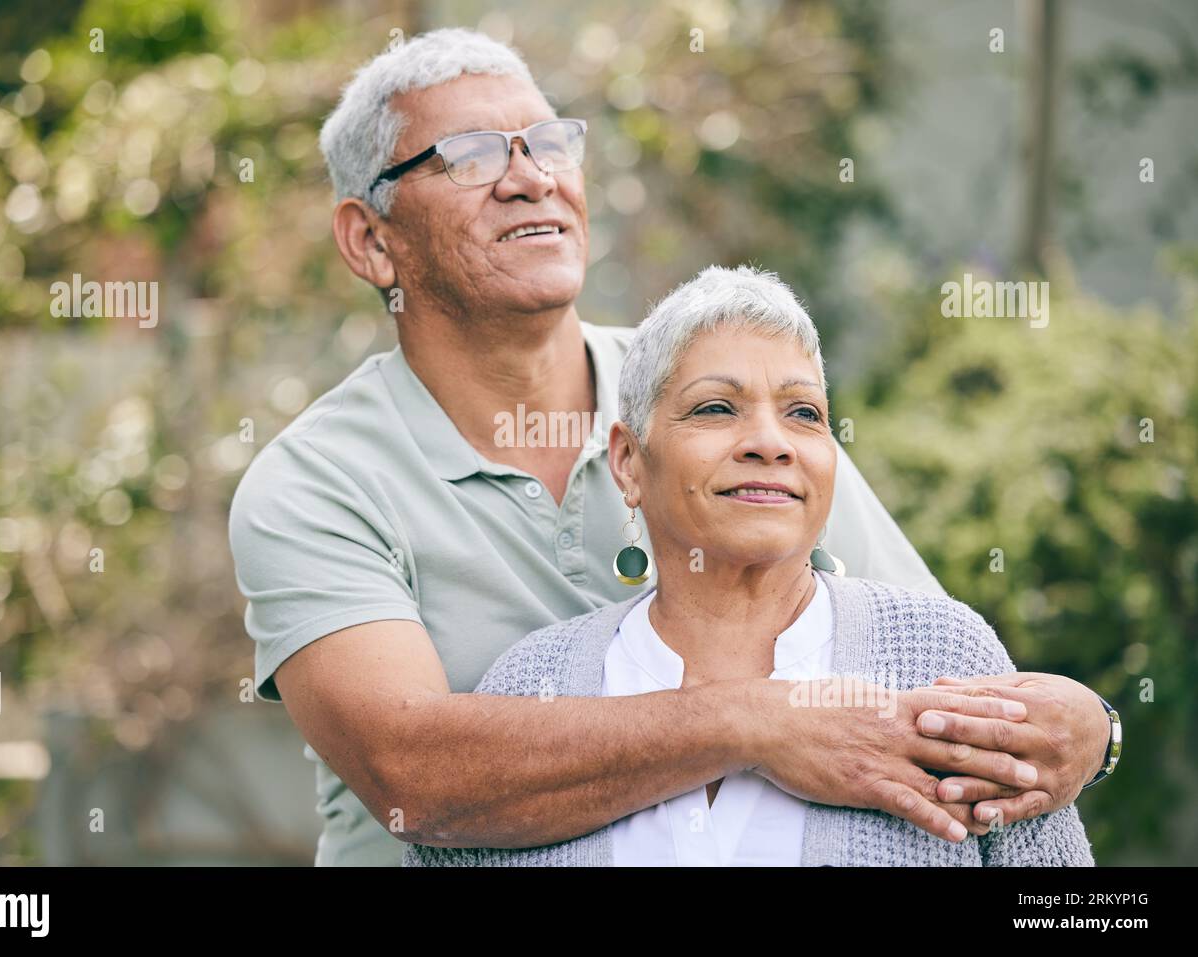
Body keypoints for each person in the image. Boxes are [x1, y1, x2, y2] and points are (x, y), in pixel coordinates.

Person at [227, 28, 1117, 866]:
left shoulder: (722, 399)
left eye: (548, 143)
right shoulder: (316, 486)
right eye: (470, 156)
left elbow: (929, 659)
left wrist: (1091, 725)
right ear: (371, 240)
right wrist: (758, 722)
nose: (530, 177)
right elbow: (411, 774)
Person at [405, 265, 1095, 865]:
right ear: (627, 461)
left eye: (803, 412)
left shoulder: (940, 654)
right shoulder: (534, 682)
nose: (770, 441)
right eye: (715, 407)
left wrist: (1103, 729)